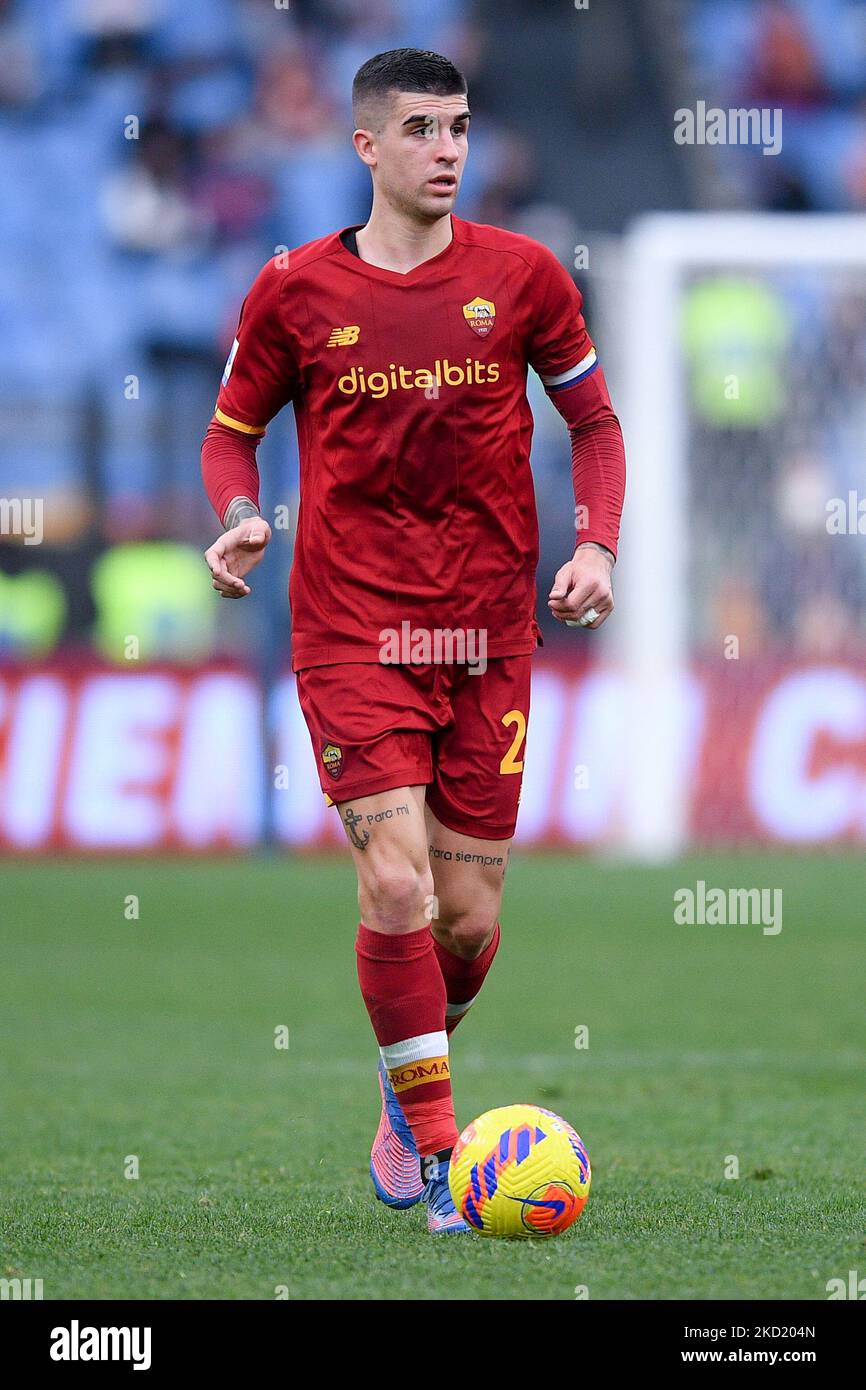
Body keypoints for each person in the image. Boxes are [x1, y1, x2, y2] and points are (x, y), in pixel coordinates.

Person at [201, 48, 625, 1234]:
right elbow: (231, 434)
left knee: (467, 919)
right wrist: (239, 514)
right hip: (352, 628)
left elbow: (593, 422)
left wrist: (596, 544)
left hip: (488, 631)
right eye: (423, 129)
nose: (447, 150)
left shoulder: (523, 275)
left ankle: (404, 1084)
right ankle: (443, 1161)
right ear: (365, 146)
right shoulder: (292, 289)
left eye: (460, 127)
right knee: (394, 882)